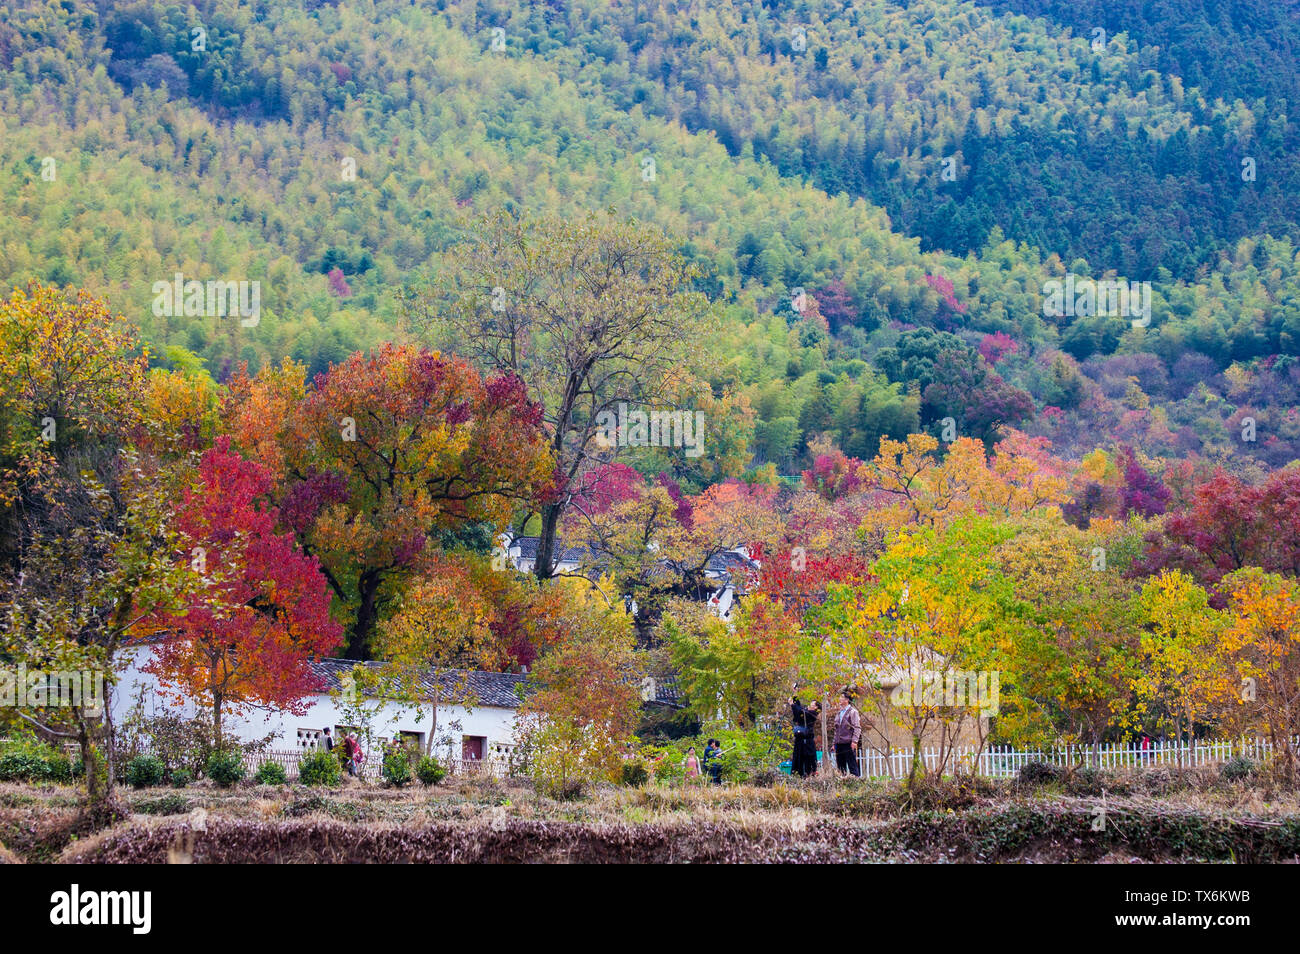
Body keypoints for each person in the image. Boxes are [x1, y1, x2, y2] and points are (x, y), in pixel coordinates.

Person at [789, 694, 820, 778]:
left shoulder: (813, 714)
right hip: (800, 740)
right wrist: (795, 696)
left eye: (812, 704)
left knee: (807, 760)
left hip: (807, 742)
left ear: (816, 707)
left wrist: (792, 704)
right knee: (797, 758)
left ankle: (808, 775)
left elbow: (800, 711)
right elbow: (799, 710)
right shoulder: (805, 712)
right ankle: (797, 775)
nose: (810, 705)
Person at [834, 689, 861, 777]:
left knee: (852, 765)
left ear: (847, 700)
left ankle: (856, 784)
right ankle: (843, 785)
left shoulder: (853, 712)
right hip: (839, 743)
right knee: (841, 767)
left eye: (842, 697)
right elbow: (836, 729)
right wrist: (834, 743)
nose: (840, 699)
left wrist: (854, 741)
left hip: (848, 742)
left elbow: (857, 727)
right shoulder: (839, 713)